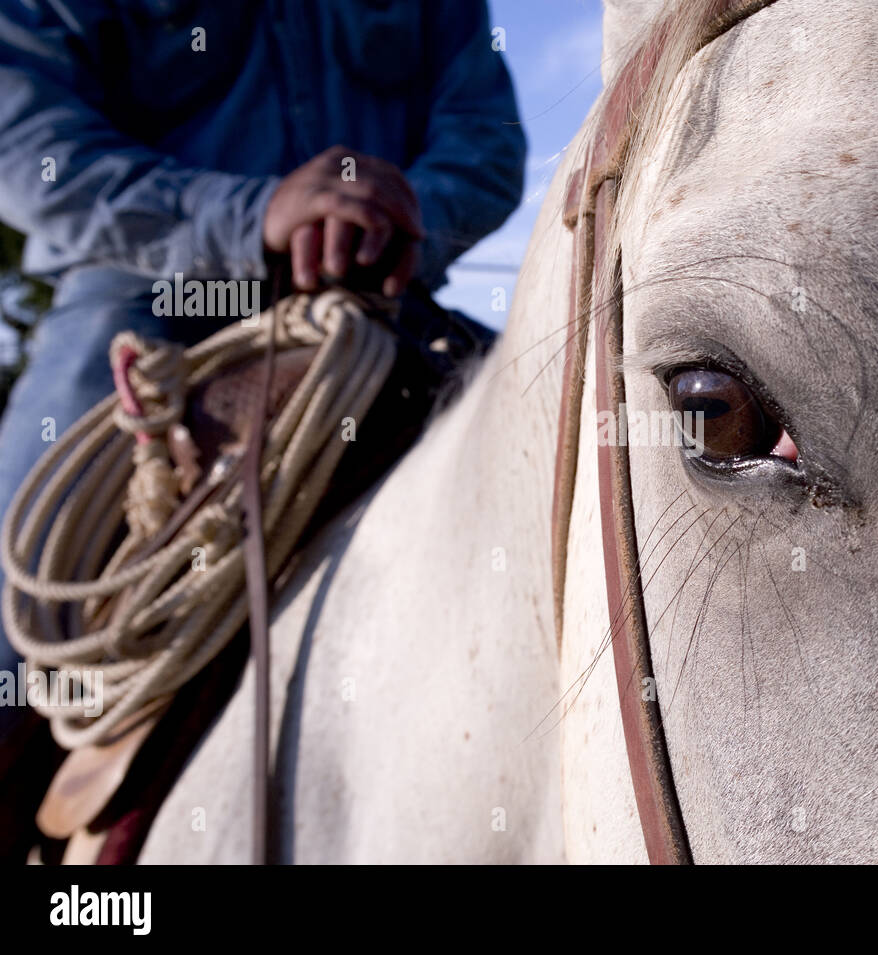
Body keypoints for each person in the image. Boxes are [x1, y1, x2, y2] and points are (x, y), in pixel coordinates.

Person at [0, 0, 526, 854]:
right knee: (21, 583)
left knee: (573, 480)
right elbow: (32, 152)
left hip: (386, 294)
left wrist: (401, 208)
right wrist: (251, 215)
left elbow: (488, 136)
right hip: (147, 304)